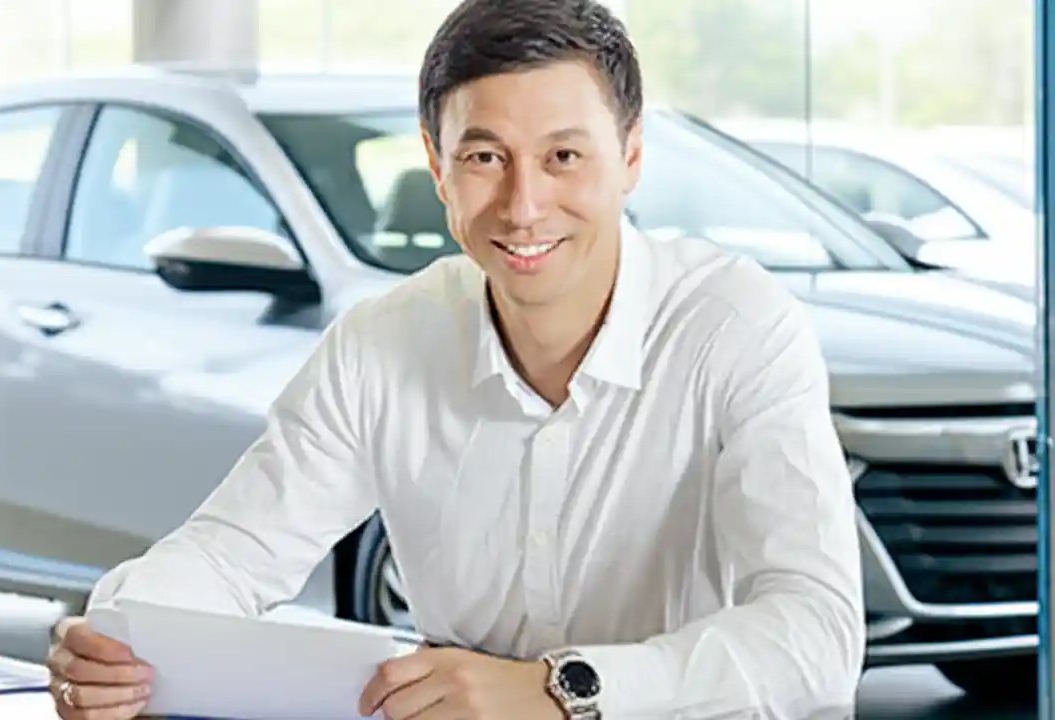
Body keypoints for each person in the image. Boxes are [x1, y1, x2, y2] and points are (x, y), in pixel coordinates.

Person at [45, 1, 864, 718]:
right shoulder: (383, 343)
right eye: (484, 158)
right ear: (438, 169)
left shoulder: (736, 327)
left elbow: (815, 636)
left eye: (564, 157)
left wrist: (562, 691)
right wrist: (119, 635)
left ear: (632, 158)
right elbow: (231, 555)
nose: (523, 204)